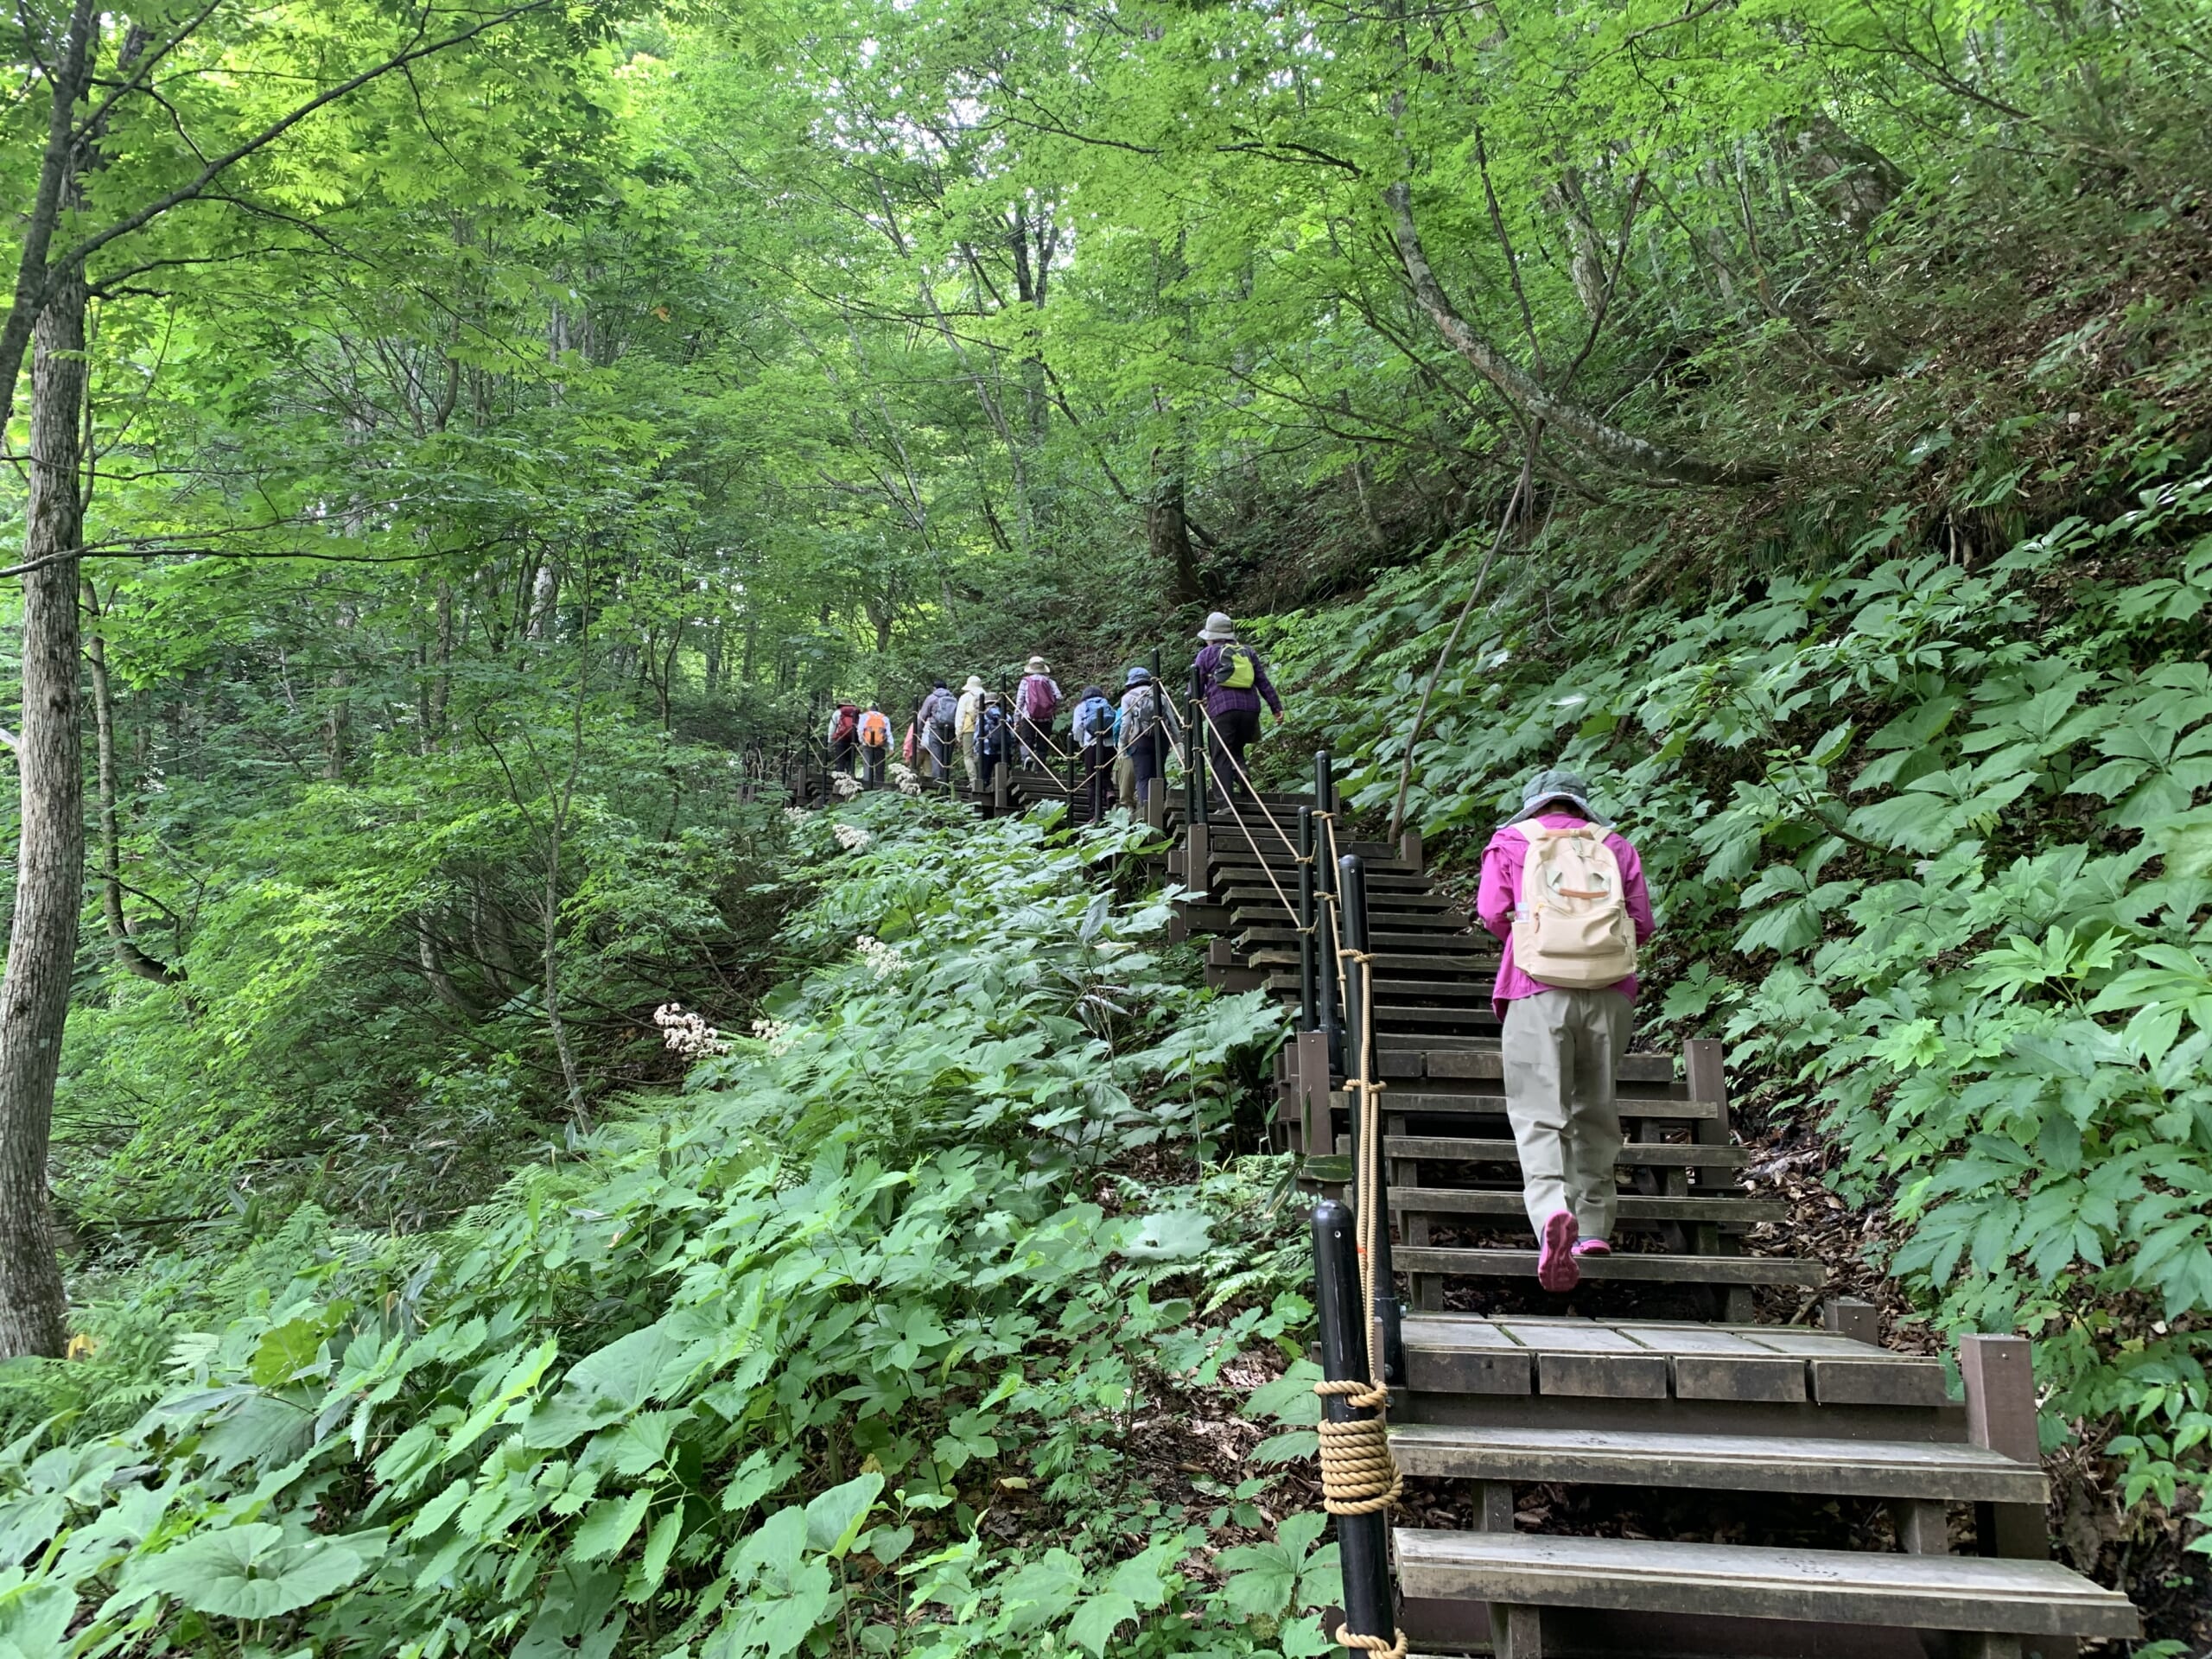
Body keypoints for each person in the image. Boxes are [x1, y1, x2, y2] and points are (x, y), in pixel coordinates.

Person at [1475, 769, 1656, 1294]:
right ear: (1581, 805)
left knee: (1538, 1112)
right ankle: (1594, 1227)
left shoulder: (1510, 842)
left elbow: (1492, 913)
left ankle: (1553, 1211)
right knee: (1595, 1108)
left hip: (1535, 989)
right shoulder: (1615, 845)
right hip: (1611, 992)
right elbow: (1641, 924)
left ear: (1533, 804)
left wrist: (1538, 937)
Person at [1191, 613, 1281, 798]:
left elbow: (1195, 687)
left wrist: (1190, 714)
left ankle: (1225, 803)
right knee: (1236, 748)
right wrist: (1276, 708)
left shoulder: (1206, 654)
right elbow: (1263, 682)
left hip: (1222, 709)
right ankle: (1241, 772)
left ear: (1211, 637)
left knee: (1220, 754)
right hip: (1250, 710)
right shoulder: (1247, 652)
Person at [1116, 666, 1161, 810]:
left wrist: (1122, 744)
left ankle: (1145, 809)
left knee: (1143, 777)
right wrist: (1179, 744)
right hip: (1161, 737)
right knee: (1158, 773)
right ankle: (1160, 804)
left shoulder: (1127, 698)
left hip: (1139, 738)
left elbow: (1125, 723)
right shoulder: (1160, 695)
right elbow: (1171, 722)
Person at [1071, 683, 1116, 820]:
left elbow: (1077, 728)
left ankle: (1095, 814)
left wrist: (1081, 742)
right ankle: (1109, 792)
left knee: (1092, 780)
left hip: (1092, 744)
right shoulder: (1107, 705)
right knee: (1105, 773)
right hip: (1110, 745)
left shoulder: (1081, 707)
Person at [1014, 657, 1062, 769]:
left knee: (1027, 739)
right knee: (1043, 744)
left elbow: (1020, 701)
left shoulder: (1025, 681)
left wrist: (1017, 719)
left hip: (1028, 715)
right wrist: (1051, 707)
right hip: (1046, 717)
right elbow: (1059, 697)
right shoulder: (1050, 681)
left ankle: (1026, 759)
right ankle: (1040, 768)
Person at [916, 679, 958, 786]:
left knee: (936, 757)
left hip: (936, 730)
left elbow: (922, 716)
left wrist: (918, 733)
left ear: (934, 688)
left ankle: (937, 783)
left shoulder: (931, 698)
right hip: (951, 731)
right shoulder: (953, 698)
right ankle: (946, 782)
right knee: (947, 758)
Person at [955, 674, 987, 789]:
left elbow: (960, 715)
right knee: (982, 753)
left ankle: (973, 782)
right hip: (984, 727)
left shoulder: (965, 697)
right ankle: (983, 779)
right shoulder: (986, 695)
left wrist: (958, 732)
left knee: (968, 756)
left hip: (969, 727)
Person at [856, 703, 891, 788]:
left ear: (869, 709)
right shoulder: (884, 718)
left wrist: (862, 741)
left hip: (868, 745)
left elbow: (860, 730)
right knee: (880, 768)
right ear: (877, 709)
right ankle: (879, 785)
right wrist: (891, 747)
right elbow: (888, 733)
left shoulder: (864, 716)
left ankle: (867, 785)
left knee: (868, 765)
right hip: (880, 745)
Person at [826, 700, 860, 776]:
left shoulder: (837, 712)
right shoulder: (856, 713)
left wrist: (830, 741)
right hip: (853, 738)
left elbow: (832, 727)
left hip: (840, 738)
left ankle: (840, 776)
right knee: (850, 759)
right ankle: (851, 776)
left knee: (840, 759)